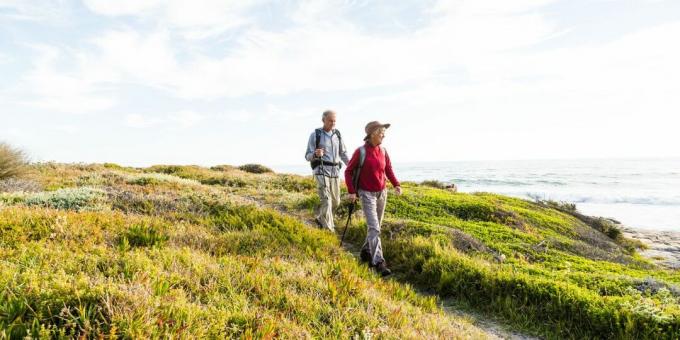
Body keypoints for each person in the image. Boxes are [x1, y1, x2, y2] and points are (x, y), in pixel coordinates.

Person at [345, 121, 402, 276]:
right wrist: (351, 191)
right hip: (366, 194)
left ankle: (365, 251)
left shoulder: (383, 151)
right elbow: (348, 171)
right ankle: (378, 262)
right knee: (374, 227)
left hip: (382, 193)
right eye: (381, 131)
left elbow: (388, 169)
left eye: (384, 132)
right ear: (372, 134)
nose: (384, 134)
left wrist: (396, 184)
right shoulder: (361, 152)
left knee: (376, 227)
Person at [305, 110, 349, 232]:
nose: (333, 123)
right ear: (323, 120)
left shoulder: (338, 135)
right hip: (321, 170)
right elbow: (307, 155)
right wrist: (315, 153)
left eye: (334, 120)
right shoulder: (315, 134)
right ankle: (329, 230)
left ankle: (320, 218)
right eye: (330, 120)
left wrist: (350, 165)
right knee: (327, 200)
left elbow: (343, 153)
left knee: (336, 202)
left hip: (335, 172)